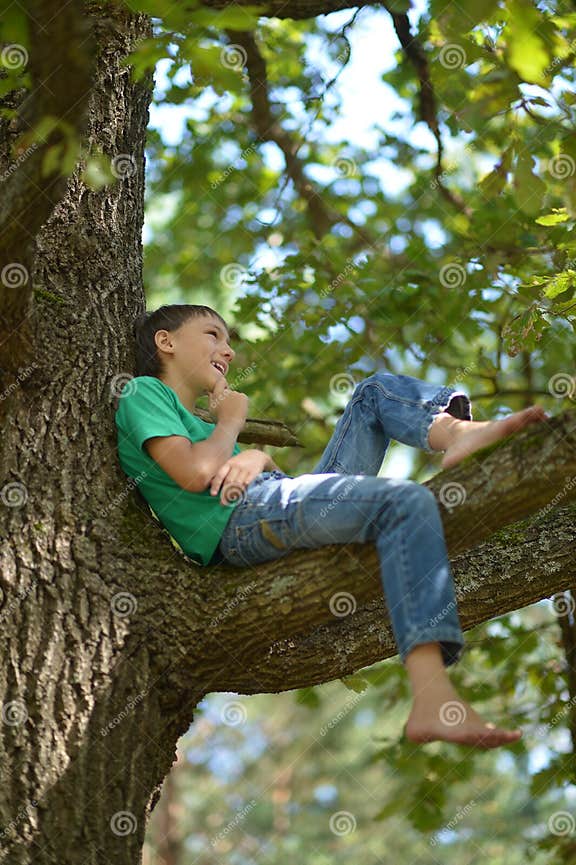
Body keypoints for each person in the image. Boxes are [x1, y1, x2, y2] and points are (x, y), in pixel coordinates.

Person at [115, 303, 549, 748]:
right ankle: (432, 696)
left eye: (229, 342)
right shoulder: (144, 393)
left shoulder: (194, 422)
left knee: (374, 393)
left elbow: (261, 477)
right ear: (165, 342)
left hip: (269, 501)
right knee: (405, 502)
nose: (226, 351)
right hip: (241, 522)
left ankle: (456, 433)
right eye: (213, 335)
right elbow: (195, 473)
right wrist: (232, 421)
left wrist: (256, 454)